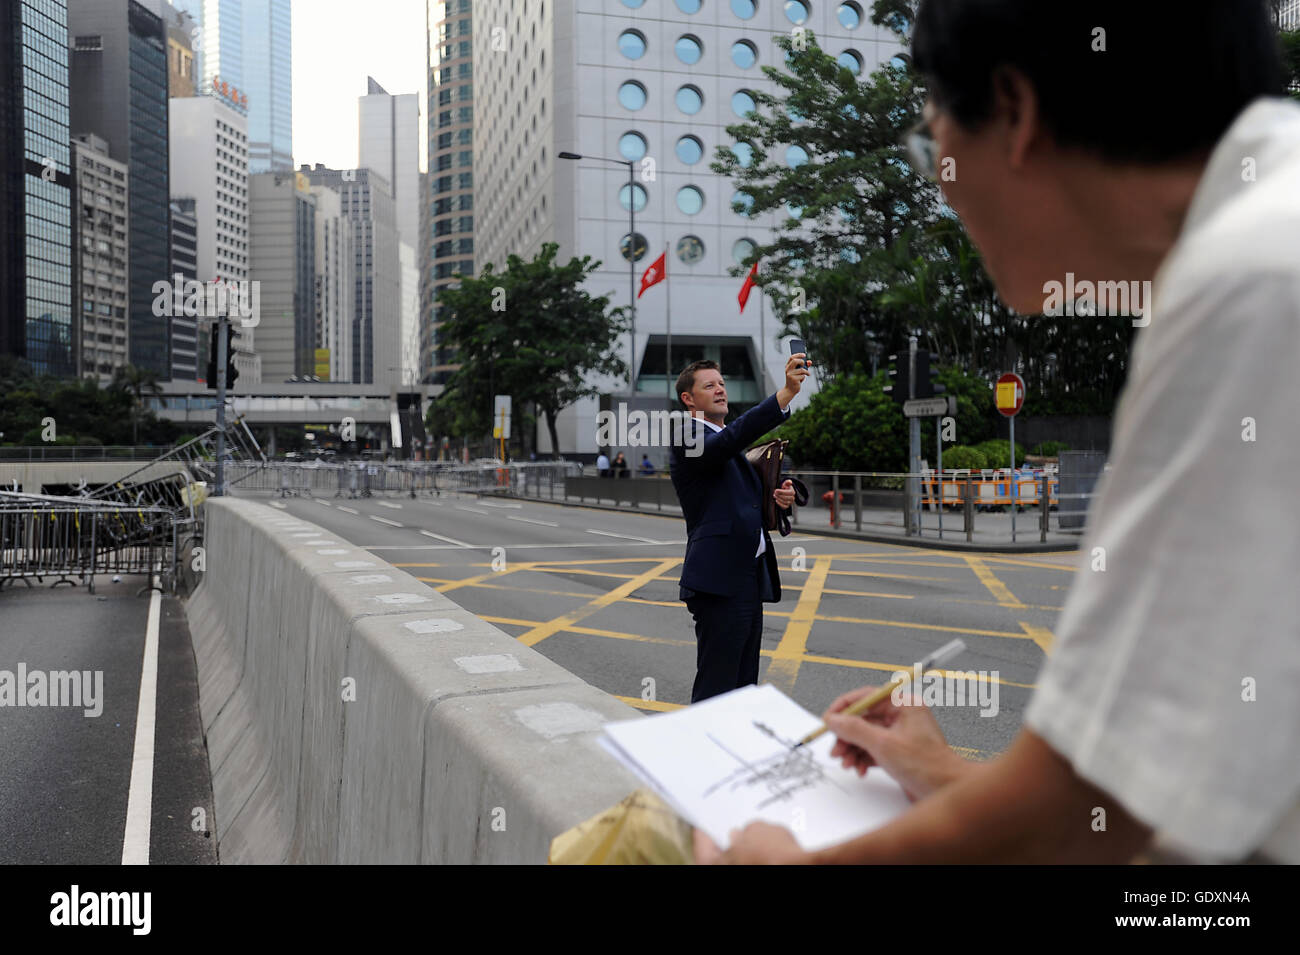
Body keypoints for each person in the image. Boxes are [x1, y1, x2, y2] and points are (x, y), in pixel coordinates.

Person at [699, 0, 1299, 864]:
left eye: (932, 143)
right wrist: (944, 773)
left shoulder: (1252, 282)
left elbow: (1076, 817)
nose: (941, 179)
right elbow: (1133, 789)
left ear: (1014, 114)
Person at [670, 354, 810, 703]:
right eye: (709, 385)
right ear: (689, 399)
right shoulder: (687, 435)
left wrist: (777, 500)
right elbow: (727, 441)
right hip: (718, 581)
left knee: (744, 686)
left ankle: (737, 753)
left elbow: (745, 508)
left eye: (721, 383)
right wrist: (785, 394)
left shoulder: (730, 448)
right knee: (717, 685)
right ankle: (704, 755)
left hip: (747, 577)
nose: (720, 389)